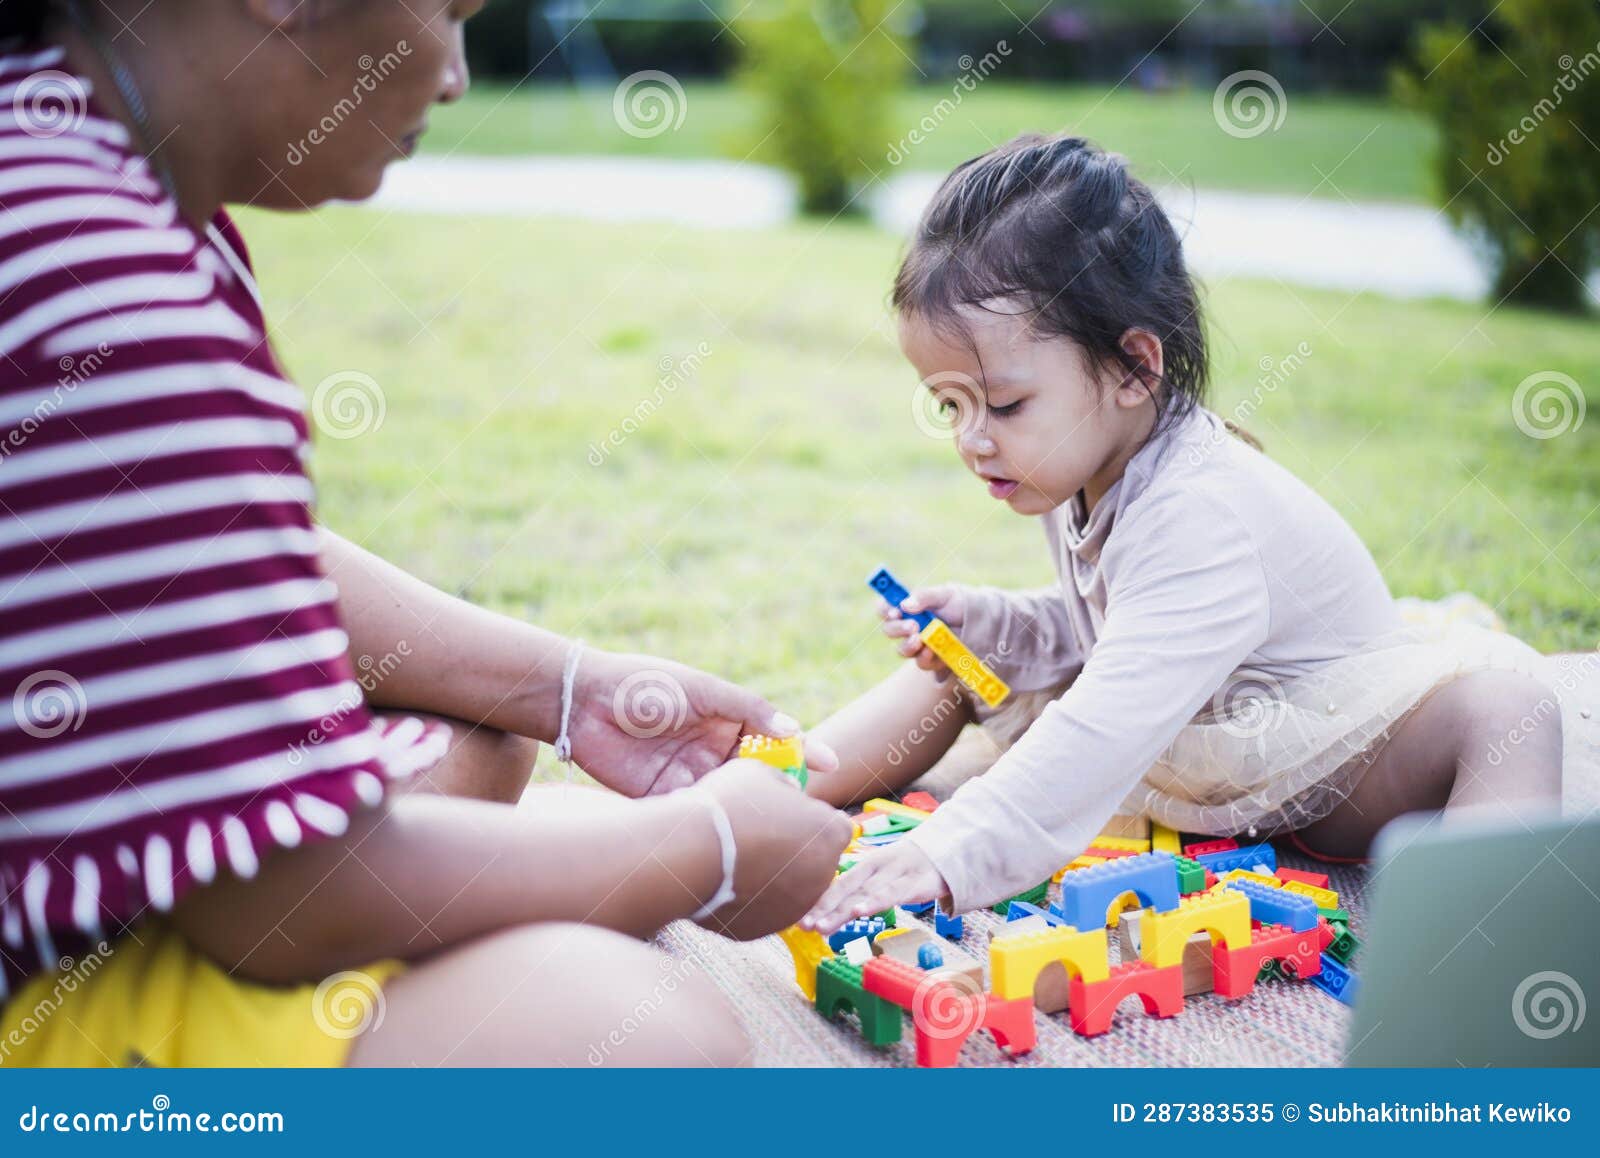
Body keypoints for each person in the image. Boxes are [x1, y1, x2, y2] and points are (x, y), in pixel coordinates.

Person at [0, 0, 850, 1067]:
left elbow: (205, 559)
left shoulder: (61, 173)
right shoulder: (110, 298)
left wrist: (568, 689)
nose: (453, 75)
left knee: (478, 735)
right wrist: (705, 849)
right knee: (637, 1040)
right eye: (449, 13)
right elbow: (280, 902)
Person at [800, 134, 1563, 931]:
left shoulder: (1203, 513)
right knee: (965, 661)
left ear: (1135, 369)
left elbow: (1108, 717)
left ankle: (1480, 935)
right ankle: (775, 790)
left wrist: (944, 853)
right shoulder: (1078, 465)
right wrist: (1000, 625)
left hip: (1329, 768)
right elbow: (1119, 629)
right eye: (951, 406)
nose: (972, 440)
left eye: (1006, 405)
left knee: (1506, 709)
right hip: (1201, 748)